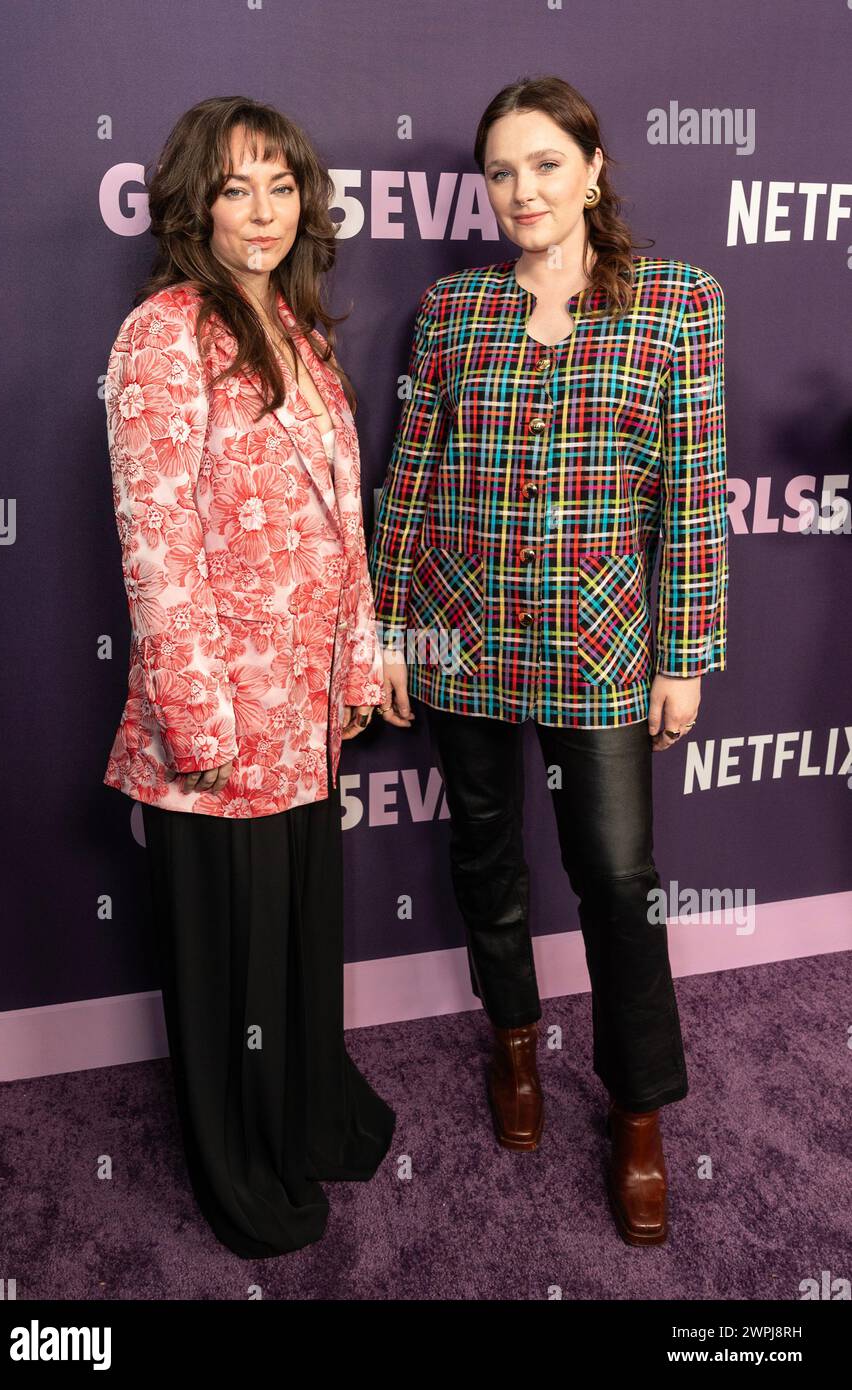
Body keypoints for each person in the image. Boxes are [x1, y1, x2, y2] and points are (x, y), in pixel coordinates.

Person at [368, 75, 728, 1247]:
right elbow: (408, 482)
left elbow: (690, 499)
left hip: (605, 644)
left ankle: (637, 1114)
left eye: (544, 164)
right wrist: (388, 629)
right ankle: (513, 1047)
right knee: (485, 854)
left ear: (594, 166)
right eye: (501, 172)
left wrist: (684, 657)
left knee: (618, 881)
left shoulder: (679, 304)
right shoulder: (453, 310)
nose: (522, 191)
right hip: (463, 634)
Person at [103, 96, 395, 1259]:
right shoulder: (164, 333)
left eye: (280, 185)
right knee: (233, 968)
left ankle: (309, 1112)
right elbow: (154, 538)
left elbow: (345, 525)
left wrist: (363, 661)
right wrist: (196, 718)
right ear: (193, 205)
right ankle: (241, 1175)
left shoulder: (306, 333)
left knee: (299, 941)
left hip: (310, 716)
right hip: (218, 723)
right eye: (236, 187)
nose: (263, 209)